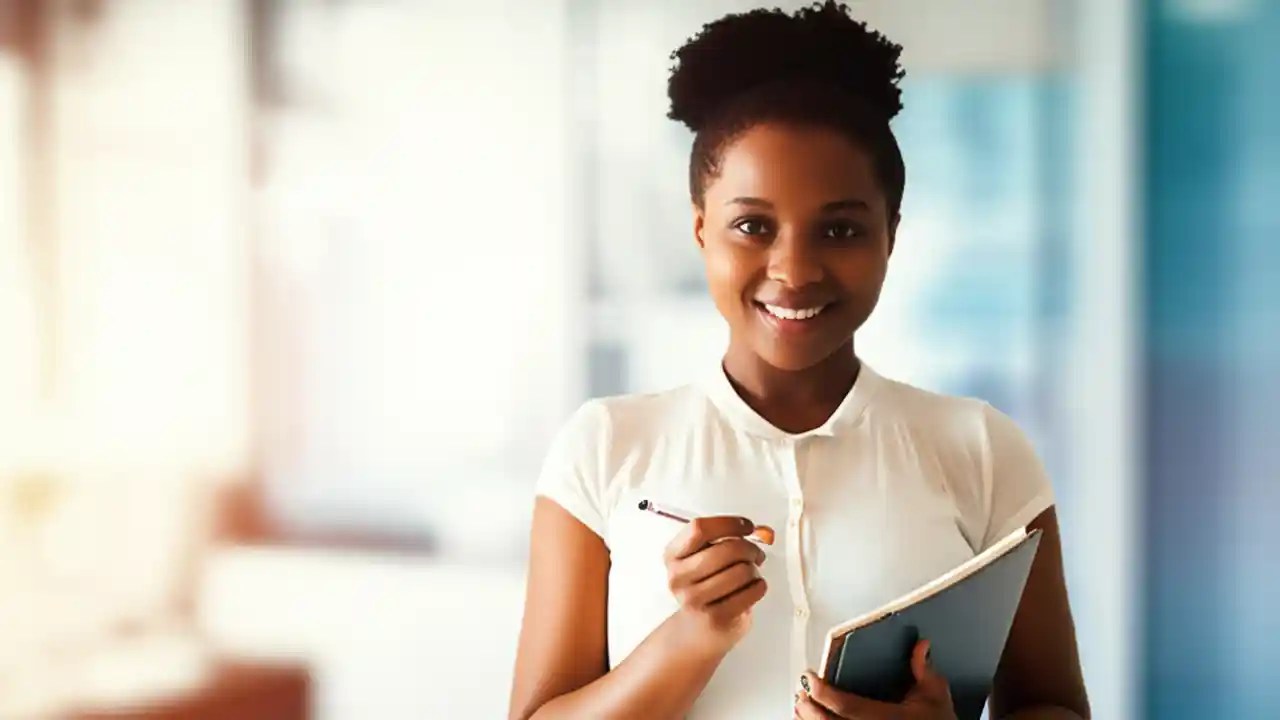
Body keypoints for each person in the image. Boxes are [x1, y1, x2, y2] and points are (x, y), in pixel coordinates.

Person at [508, 3, 1090, 718]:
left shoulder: (981, 450)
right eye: (752, 226)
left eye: (840, 228)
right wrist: (692, 638)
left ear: (890, 235)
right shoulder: (603, 449)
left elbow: (1057, 707)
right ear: (700, 230)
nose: (794, 269)